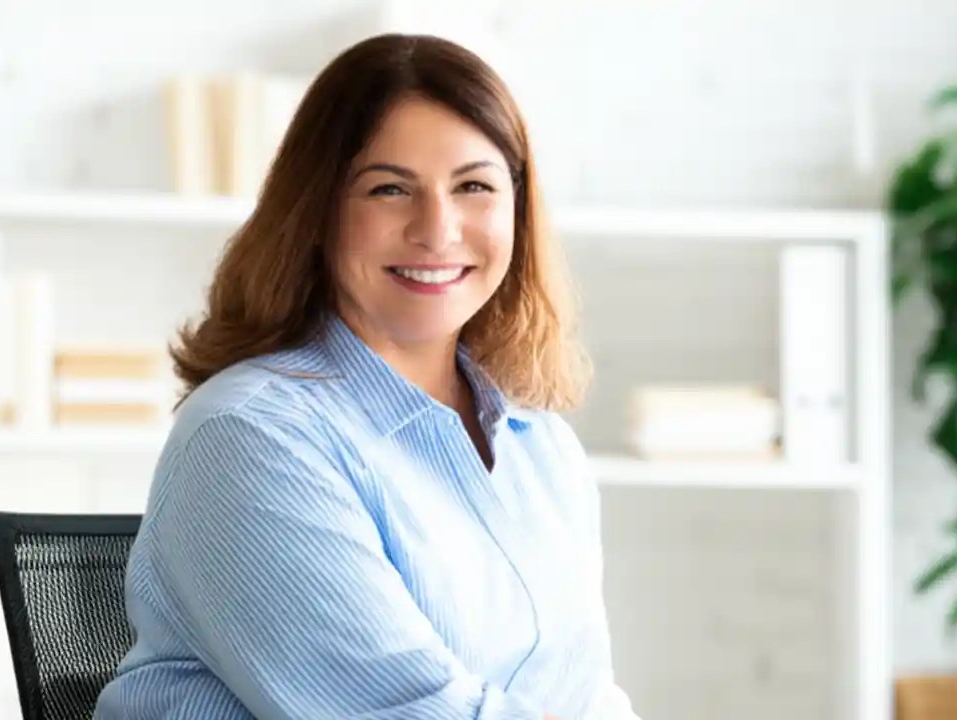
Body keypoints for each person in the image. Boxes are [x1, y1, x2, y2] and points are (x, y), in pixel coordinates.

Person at [93, 33, 639, 720]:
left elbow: (590, 699)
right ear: (317, 213)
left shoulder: (543, 448)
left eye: (473, 186)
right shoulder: (251, 435)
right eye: (389, 189)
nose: (437, 230)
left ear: (518, 211)